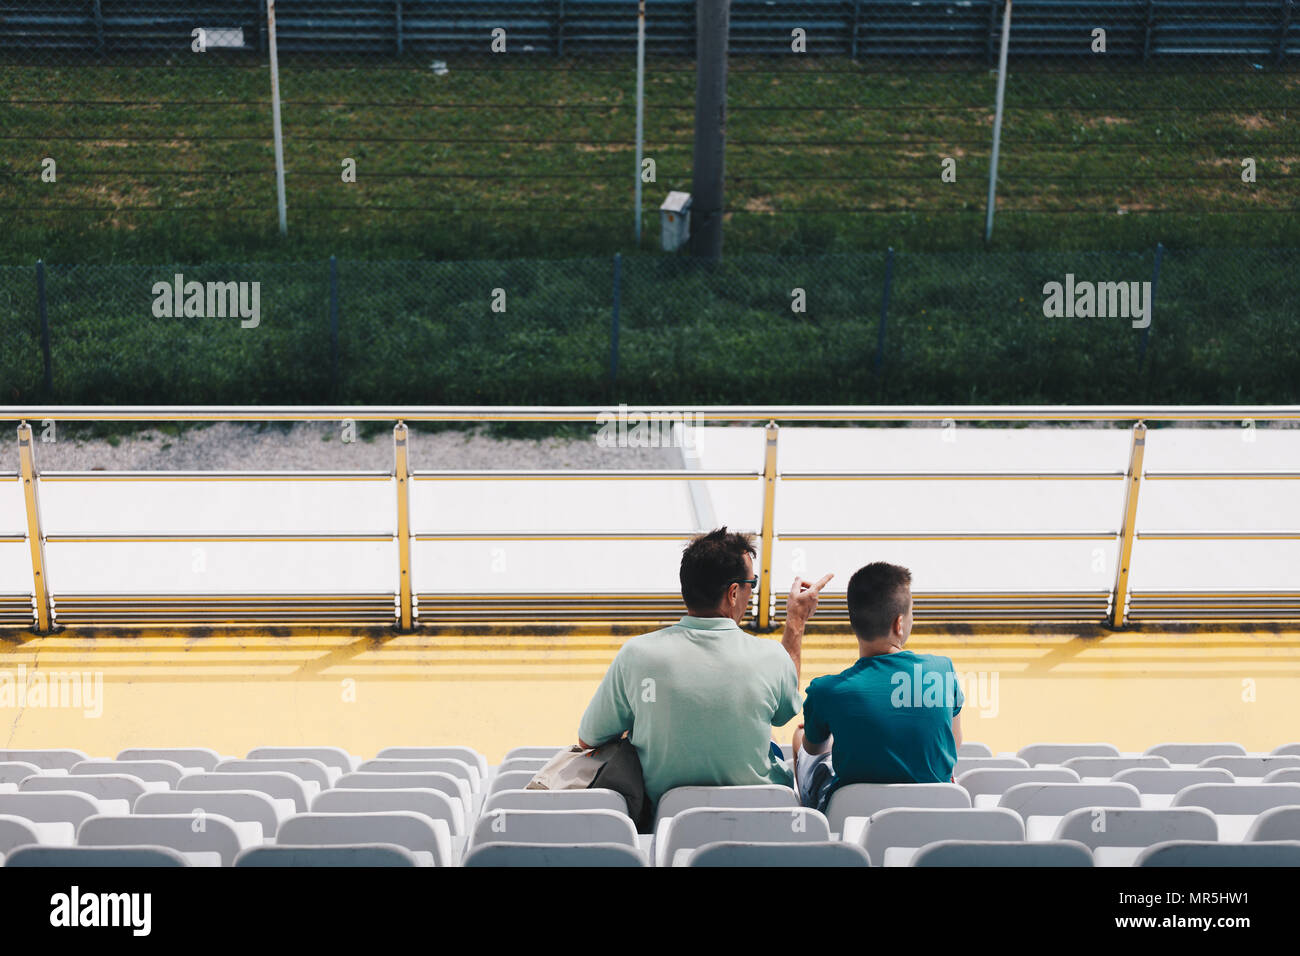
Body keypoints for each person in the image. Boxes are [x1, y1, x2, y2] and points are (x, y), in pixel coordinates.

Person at [577, 527, 830, 813]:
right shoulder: (770, 656)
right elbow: (784, 713)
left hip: (666, 826)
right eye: (752, 583)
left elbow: (589, 738)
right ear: (733, 593)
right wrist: (796, 621)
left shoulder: (636, 655)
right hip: (761, 818)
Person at [793, 561, 963, 813]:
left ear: (854, 621)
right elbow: (954, 743)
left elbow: (814, 749)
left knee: (800, 736)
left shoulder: (826, 690)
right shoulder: (941, 670)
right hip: (936, 813)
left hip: (852, 817)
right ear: (899, 623)